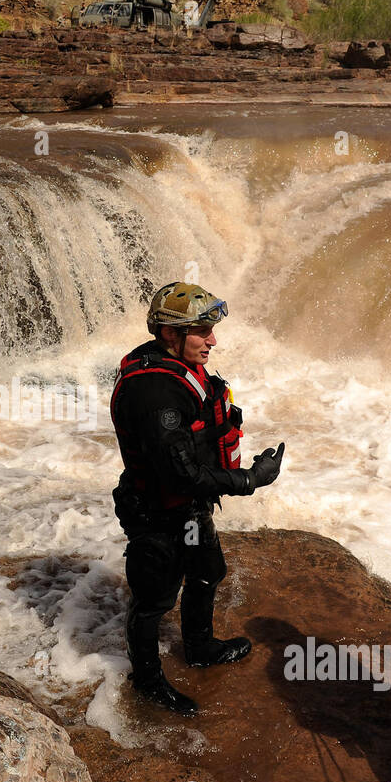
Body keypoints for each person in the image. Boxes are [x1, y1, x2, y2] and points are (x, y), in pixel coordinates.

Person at [109, 282, 284, 714]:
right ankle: (147, 681)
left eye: (211, 329)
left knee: (207, 572)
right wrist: (249, 480)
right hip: (156, 513)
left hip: (186, 508)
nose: (213, 340)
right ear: (171, 335)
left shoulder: (176, 367)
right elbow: (181, 474)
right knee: (154, 600)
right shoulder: (156, 393)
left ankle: (201, 648)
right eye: (202, 331)